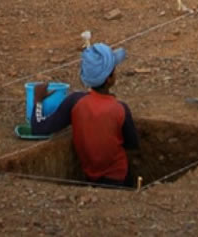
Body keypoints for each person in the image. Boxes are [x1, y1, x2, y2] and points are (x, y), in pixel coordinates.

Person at [30, 43, 139, 188]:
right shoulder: (121, 109)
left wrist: (38, 100)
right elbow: (132, 144)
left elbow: (39, 127)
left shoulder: (74, 101)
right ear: (109, 79)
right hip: (120, 178)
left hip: (91, 178)